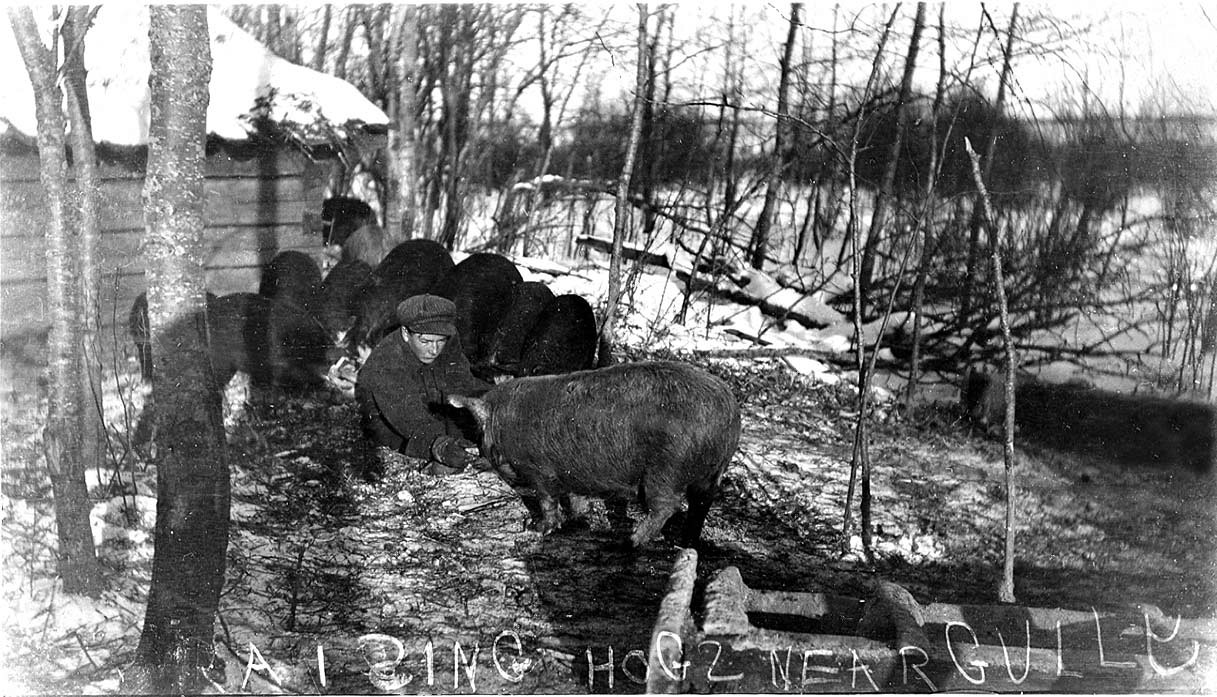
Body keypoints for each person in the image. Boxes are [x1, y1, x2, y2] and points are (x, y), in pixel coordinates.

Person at [355, 294, 491, 475]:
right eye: (425, 341)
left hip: (430, 402)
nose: (434, 349)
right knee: (445, 457)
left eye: (440, 341)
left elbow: (460, 382)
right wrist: (439, 445)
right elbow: (408, 415)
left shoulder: (446, 336)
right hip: (394, 423)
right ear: (405, 333)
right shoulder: (386, 362)